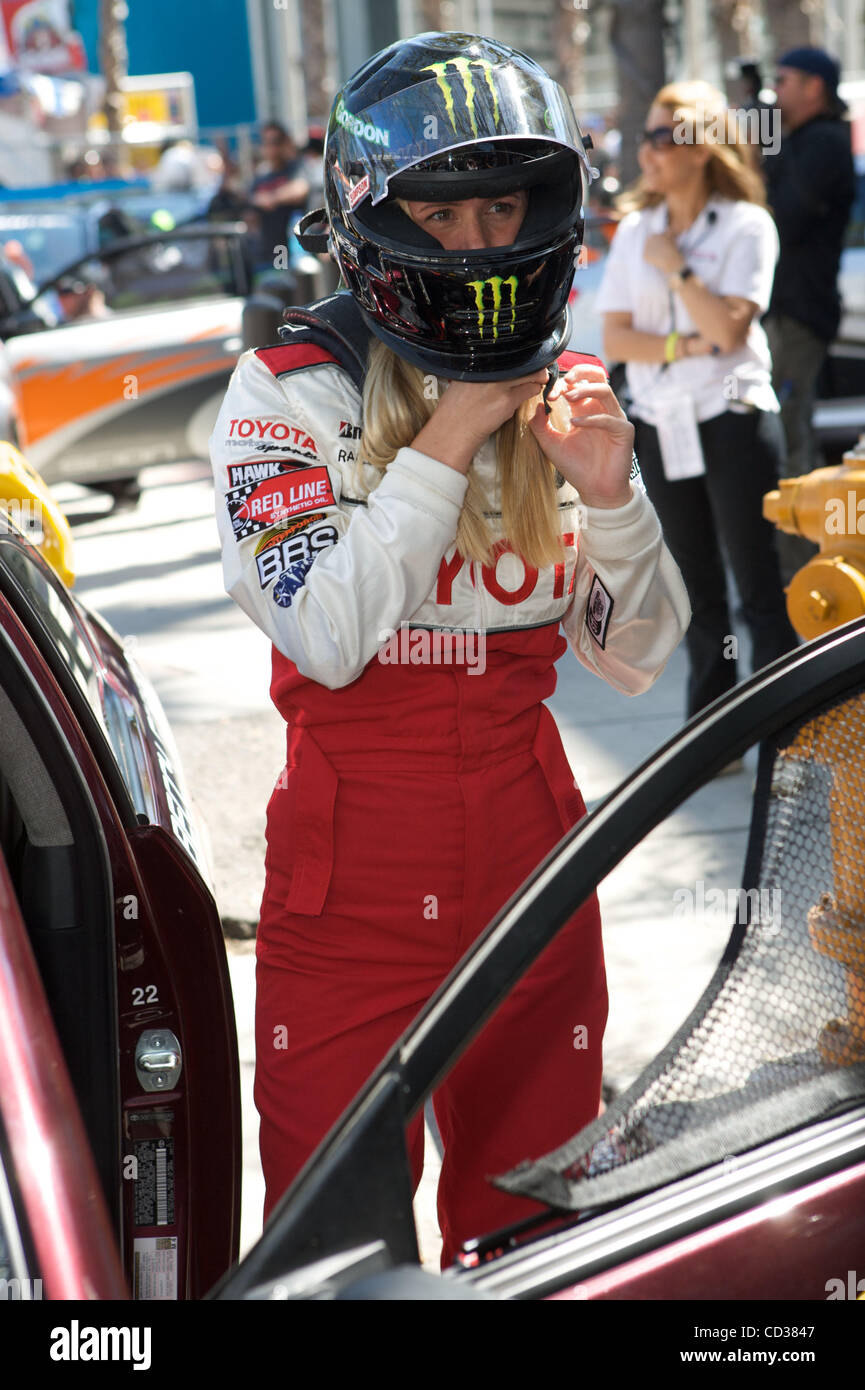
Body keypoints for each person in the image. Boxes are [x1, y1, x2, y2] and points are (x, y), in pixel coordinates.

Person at [210, 32, 690, 1268]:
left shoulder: (564, 393)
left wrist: (618, 495)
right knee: (333, 1247)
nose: (481, 240)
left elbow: (637, 660)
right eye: (445, 210)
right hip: (347, 886)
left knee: (535, 1235)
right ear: (377, 218)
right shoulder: (287, 391)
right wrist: (450, 437)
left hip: (537, 871)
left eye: (501, 205)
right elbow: (324, 632)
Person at [597, 80, 797, 729]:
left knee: (758, 588)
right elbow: (619, 339)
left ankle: (782, 731)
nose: (646, 153)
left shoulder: (746, 225)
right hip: (662, 422)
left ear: (700, 147)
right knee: (694, 589)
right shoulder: (635, 230)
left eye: (659, 138)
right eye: (644, 138)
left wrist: (678, 270)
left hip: (733, 414)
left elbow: (729, 333)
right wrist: (686, 341)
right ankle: (712, 731)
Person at [763, 47, 856, 579]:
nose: (775, 91)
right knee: (790, 437)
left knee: (789, 442)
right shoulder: (798, 140)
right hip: (784, 312)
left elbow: (785, 218)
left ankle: (806, 576)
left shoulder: (823, 141)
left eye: (785, 79)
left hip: (799, 314)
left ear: (814, 87)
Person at [247, 121, 309, 273]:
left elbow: (300, 189)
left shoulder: (295, 167)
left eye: (275, 142)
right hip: (267, 248)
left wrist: (271, 198)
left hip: (294, 249)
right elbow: (251, 205)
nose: (270, 148)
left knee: (292, 287)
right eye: (265, 142)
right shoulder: (261, 176)